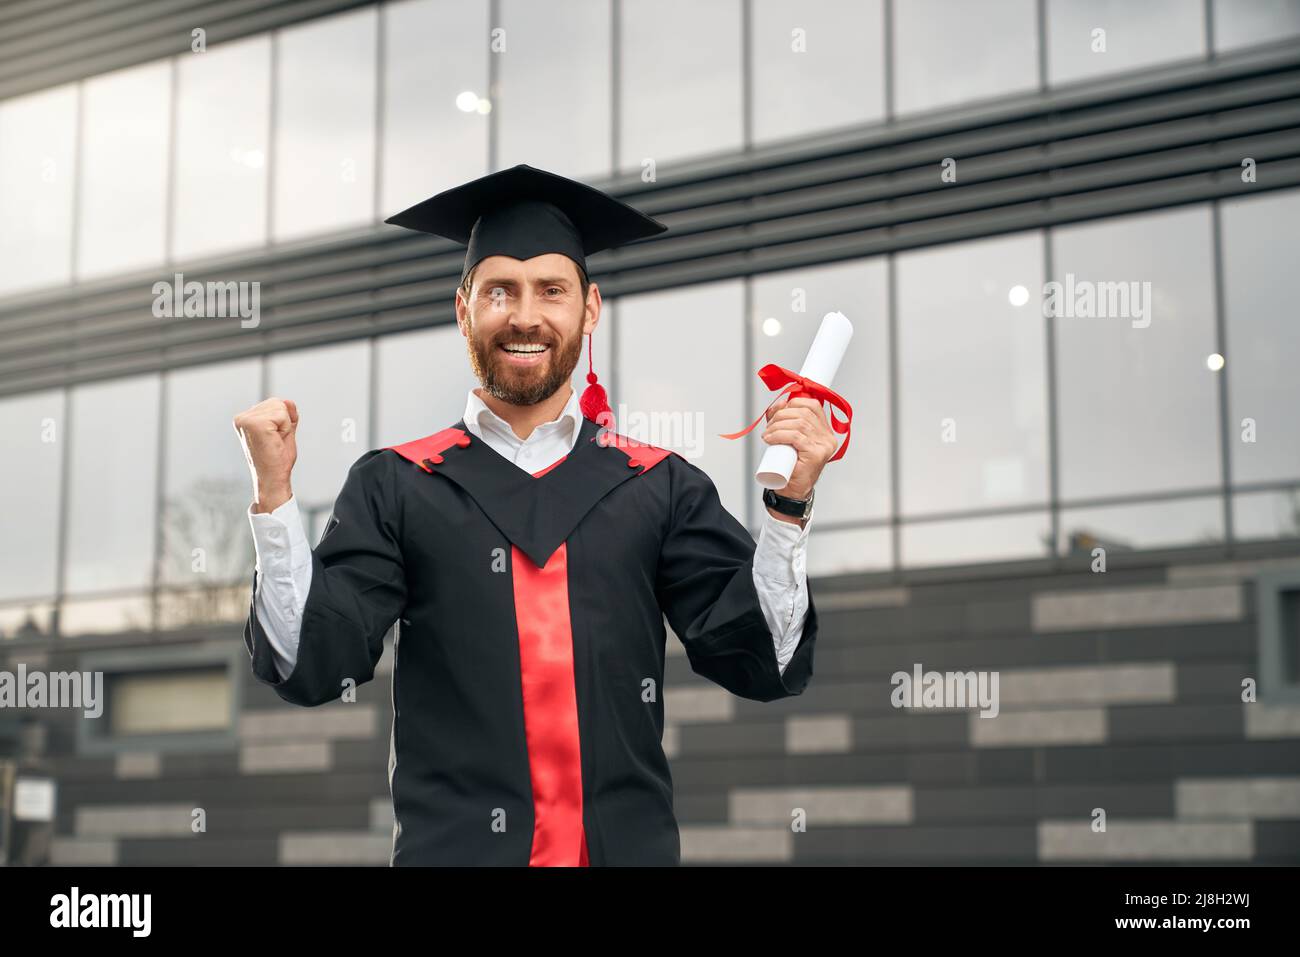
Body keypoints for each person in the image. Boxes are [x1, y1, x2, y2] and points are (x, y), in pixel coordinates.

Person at [232, 164, 841, 866]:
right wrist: (273, 499)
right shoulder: (397, 485)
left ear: (589, 309)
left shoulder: (656, 485)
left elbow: (763, 657)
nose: (525, 316)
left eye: (552, 290)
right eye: (500, 291)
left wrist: (789, 507)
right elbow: (311, 661)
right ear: (463, 309)